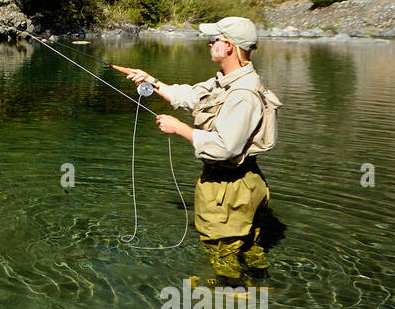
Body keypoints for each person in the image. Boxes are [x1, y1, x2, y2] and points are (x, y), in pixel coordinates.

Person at [113, 17, 281, 289]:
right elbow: (189, 96)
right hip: (243, 184)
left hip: (228, 189)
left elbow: (225, 147)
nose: (209, 43)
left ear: (228, 46)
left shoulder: (242, 94)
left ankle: (233, 302)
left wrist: (179, 128)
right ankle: (262, 289)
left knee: (220, 249)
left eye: (214, 39)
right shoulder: (227, 82)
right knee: (248, 245)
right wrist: (150, 81)